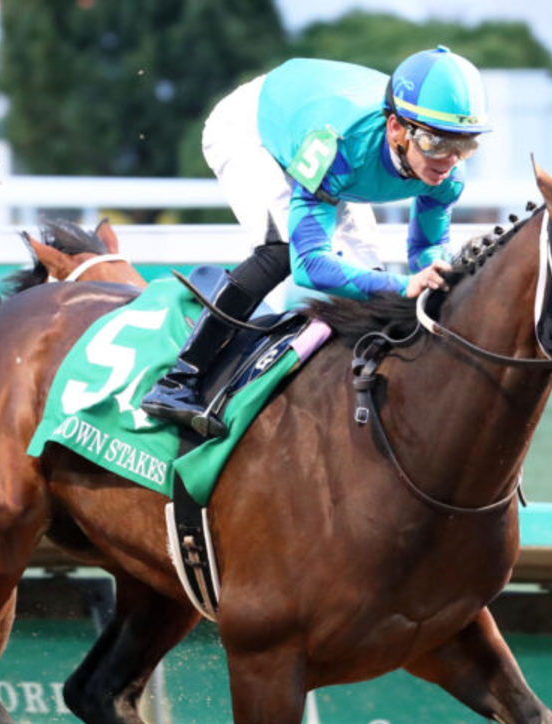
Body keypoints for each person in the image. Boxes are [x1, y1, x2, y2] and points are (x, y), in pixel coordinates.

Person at [141, 45, 490, 438]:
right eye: (435, 143)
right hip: (252, 129)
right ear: (396, 128)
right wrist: (403, 284)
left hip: (325, 134)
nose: (448, 159)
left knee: (367, 284)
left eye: (464, 145)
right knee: (280, 250)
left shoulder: (448, 173)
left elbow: (425, 251)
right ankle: (179, 380)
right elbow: (309, 266)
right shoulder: (338, 146)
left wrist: (434, 271)